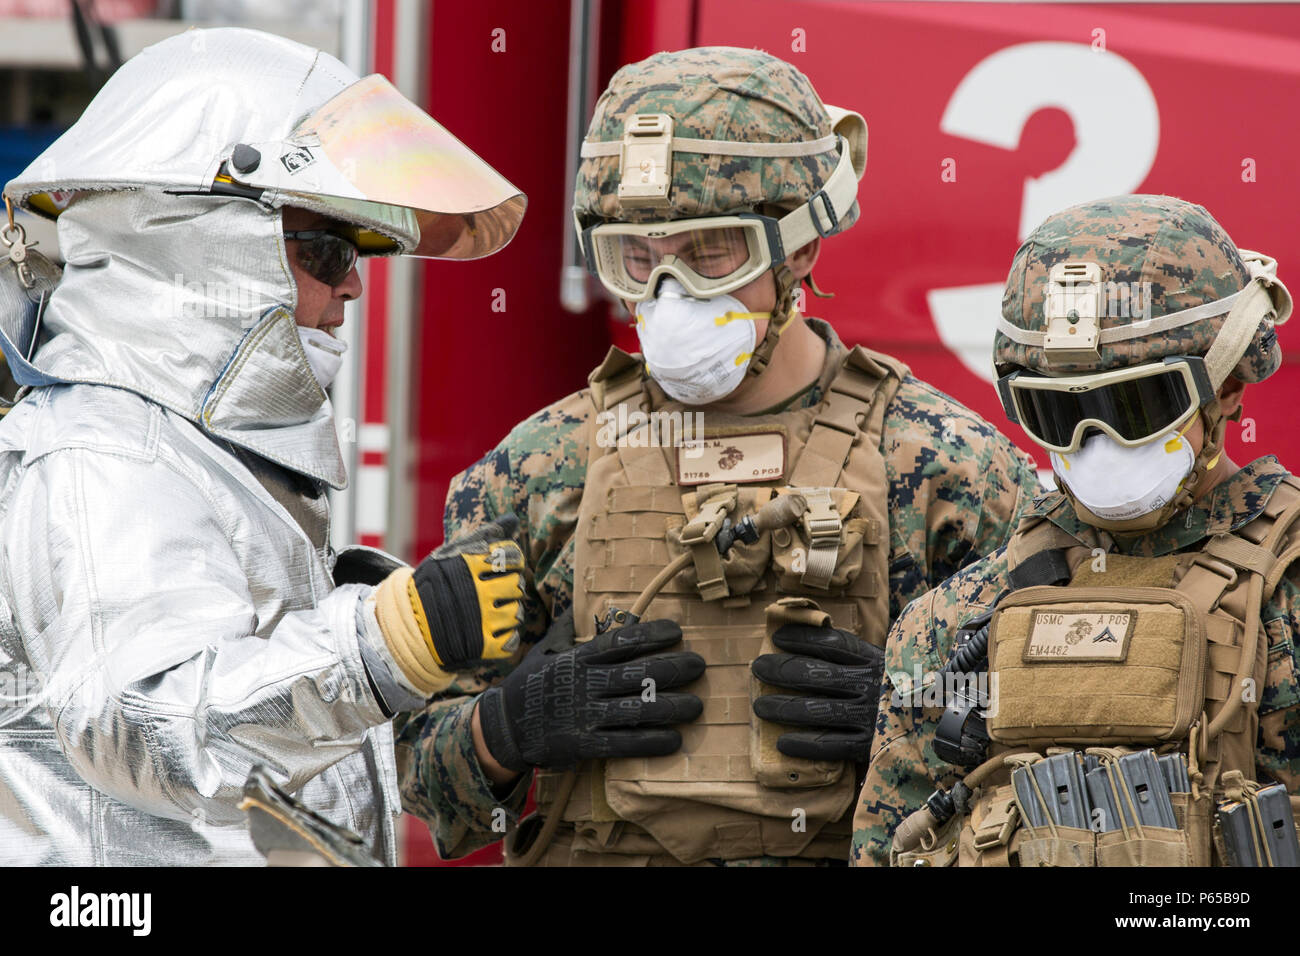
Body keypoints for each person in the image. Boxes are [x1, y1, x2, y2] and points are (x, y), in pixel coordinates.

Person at [396, 46, 1040, 866]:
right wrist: (508, 728)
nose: (670, 293)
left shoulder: (950, 469)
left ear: (800, 248)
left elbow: (1076, 741)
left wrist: (919, 713)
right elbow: (416, 766)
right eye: (638, 257)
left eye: (712, 254)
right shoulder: (542, 467)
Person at [0, 27, 530, 865]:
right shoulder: (109, 456)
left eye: (357, 251)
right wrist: (379, 643)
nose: (351, 282)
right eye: (323, 248)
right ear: (197, 246)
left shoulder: (189, 445)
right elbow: (149, 722)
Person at [852, 194, 1300, 868]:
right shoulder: (954, 619)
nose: (1097, 444)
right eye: (1059, 412)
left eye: (1133, 403)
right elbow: (889, 848)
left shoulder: (1287, 596)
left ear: (1229, 384)